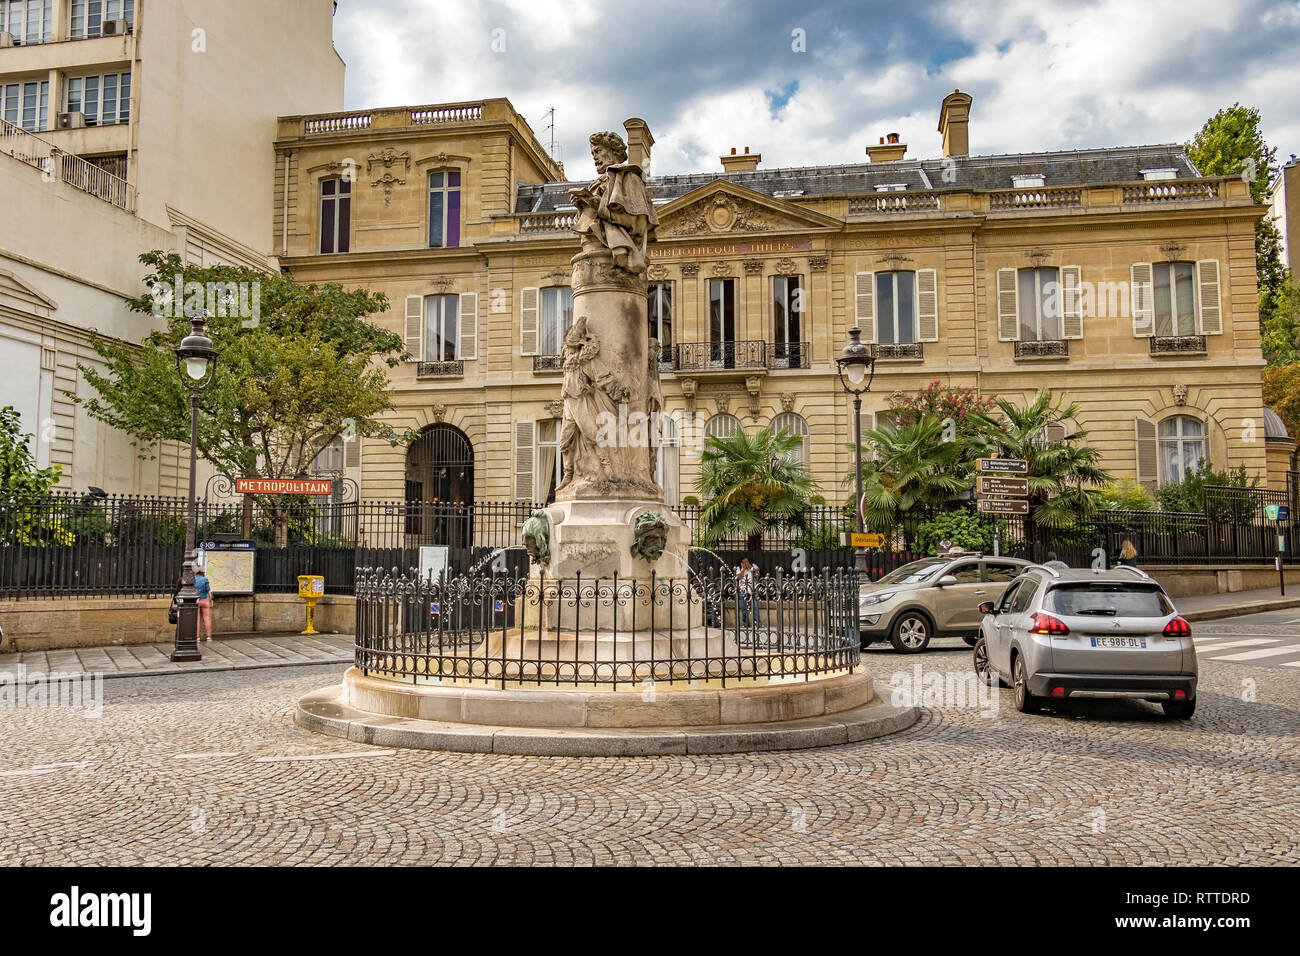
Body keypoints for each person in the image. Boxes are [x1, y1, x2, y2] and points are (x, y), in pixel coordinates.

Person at [736, 557, 761, 628]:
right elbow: (739, 577)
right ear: (741, 563)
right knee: (744, 608)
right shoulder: (738, 568)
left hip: (752, 590)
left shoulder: (753, 566)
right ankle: (745, 623)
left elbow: (757, 575)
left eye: (747, 561)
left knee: (755, 607)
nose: (746, 563)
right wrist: (743, 569)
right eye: (744, 562)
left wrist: (750, 567)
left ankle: (758, 623)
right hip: (743, 590)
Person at [193, 563, 213, 642]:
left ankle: (197, 637)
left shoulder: (193, 579)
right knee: (206, 618)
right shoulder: (205, 579)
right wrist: (210, 598)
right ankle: (208, 636)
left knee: (197, 619)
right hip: (205, 599)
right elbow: (208, 590)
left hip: (196, 600)